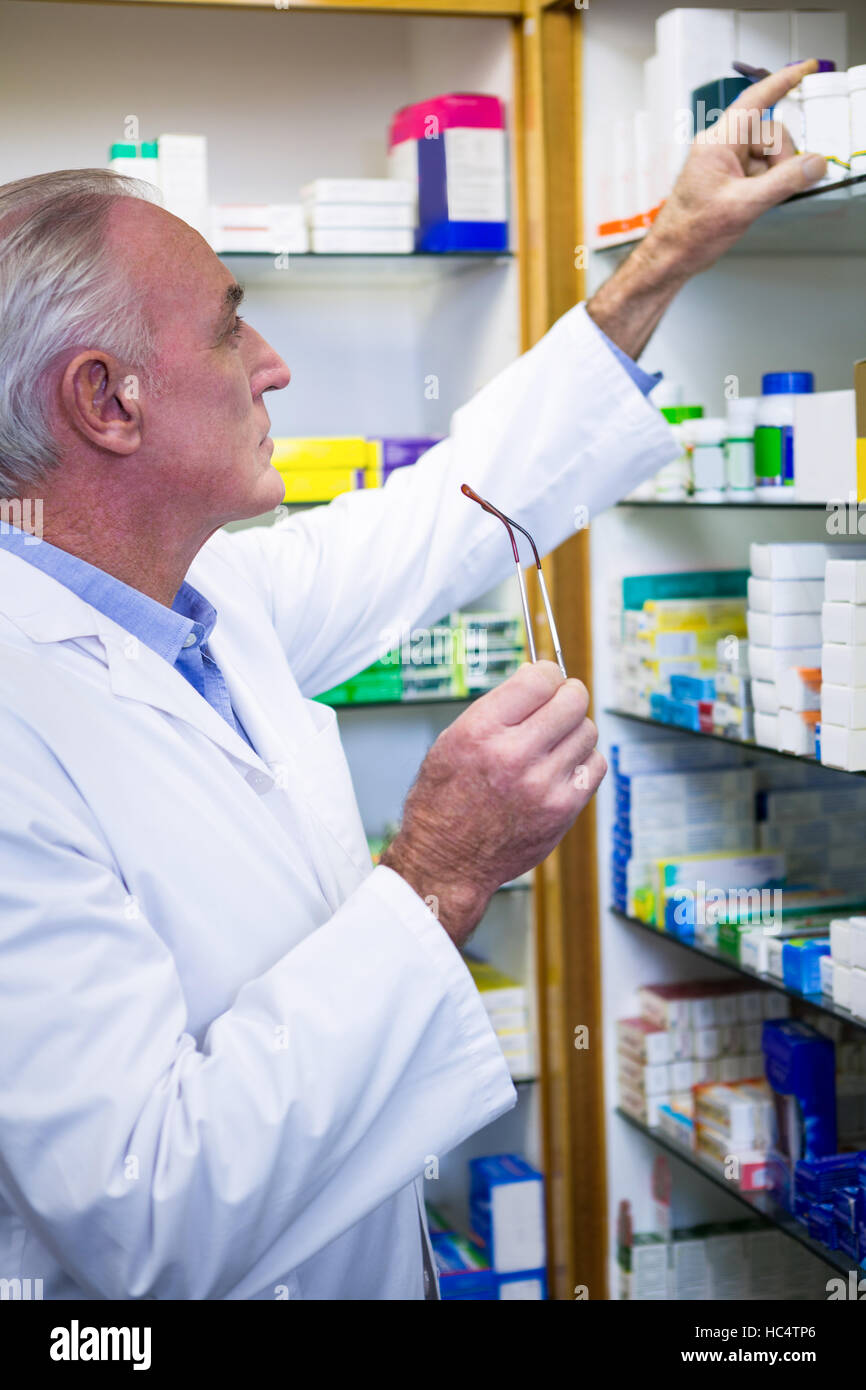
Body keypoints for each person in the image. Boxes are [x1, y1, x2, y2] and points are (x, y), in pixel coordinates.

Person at [0, 63, 825, 1301]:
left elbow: (450, 506)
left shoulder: (213, 609)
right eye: (231, 326)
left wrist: (668, 250)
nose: (272, 366)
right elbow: (146, 1207)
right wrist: (438, 872)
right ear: (104, 401)